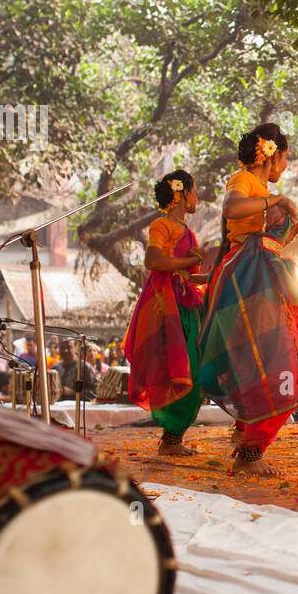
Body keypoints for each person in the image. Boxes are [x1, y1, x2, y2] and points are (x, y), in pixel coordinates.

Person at [198, 123, 298, 475]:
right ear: (273, 155)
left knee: (269, 359)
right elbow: (232, 208)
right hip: (249, 281)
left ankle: (246, 437)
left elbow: (268, 232)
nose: (286, 165)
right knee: (279, 361)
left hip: (264, 280)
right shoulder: (244, 181)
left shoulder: (263, 190)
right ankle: (249, 451)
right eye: (285, 157)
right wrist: (278, 200)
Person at [124, 170, 212, 456]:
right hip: (166, 309)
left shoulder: (188, 231)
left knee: (193, 372)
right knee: (177, 371)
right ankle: (171, 439)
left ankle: (173, 438)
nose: (197, 198)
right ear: (182, 193)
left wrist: (218, 275)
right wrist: (190, 259)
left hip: (186, 306)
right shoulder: (162, 225)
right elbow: (152, 260)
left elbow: (188, 277)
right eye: (195, 191)